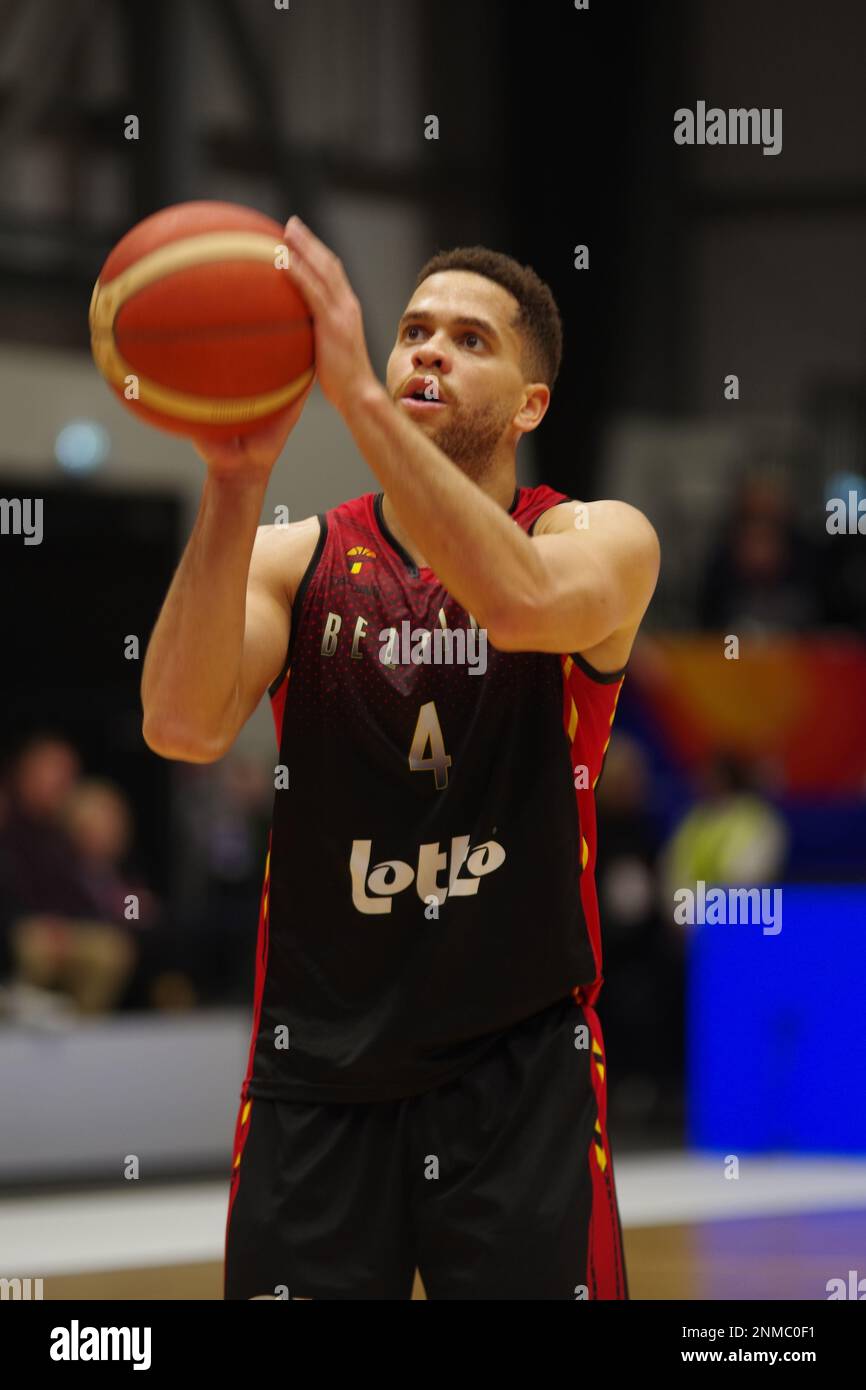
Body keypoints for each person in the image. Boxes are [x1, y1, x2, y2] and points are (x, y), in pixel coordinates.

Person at [141, 217, 660, 1300]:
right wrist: (235, 480)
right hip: (316, 1074)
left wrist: (358, 408)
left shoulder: (597, 538)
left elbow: (519, 603)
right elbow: (181, 725)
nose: (428, 350)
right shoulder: (301, 558)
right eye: (413, 330)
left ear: (532, 404)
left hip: (517, 1074)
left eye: (469, 340)